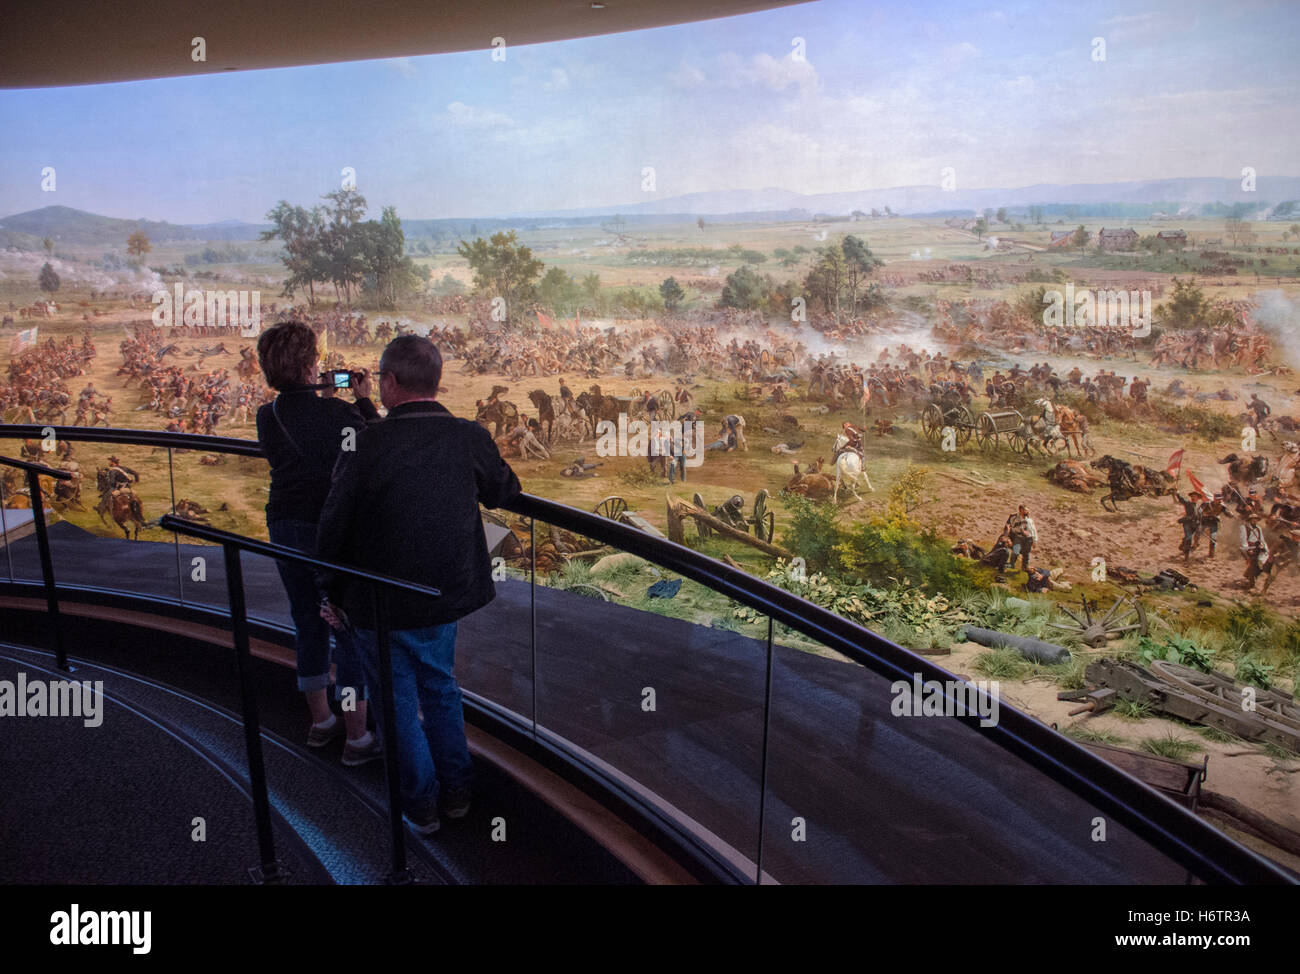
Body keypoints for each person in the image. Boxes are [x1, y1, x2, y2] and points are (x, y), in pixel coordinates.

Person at [317, 335, 521, 835]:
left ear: (388, 383)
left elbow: (333, 528)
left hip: (377, 600)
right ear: (437, 382)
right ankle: (457, 794)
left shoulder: (364, 442)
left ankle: (421, 805)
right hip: (442, 596)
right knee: (441, 690)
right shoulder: (467, 435)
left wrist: (331, 595)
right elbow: (504, 490)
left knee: (395, 703)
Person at [255, 320, 380, 765]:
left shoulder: (266, 415)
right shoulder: (340, 414)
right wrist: (361, 400)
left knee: (307, 622)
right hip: (329, 532)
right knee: (343, 628)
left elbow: (299, 440)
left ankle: (320, 720)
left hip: (284, 525)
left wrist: (322, 399)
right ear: (311, 364)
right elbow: (377, 451)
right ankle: (356, 736)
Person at [1005, 504, 1037, 572]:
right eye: (1026, 510)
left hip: (1028, 539)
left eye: (1028, 510)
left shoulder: (1029, 520)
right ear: (1021, 510)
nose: (1028, 512)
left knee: (1026, 555)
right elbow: (1010, 527)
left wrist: (1034, 541)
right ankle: (1011, 565)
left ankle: (1024, 569)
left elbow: (1033, 530)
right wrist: (1020, 531)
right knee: (1015, 552)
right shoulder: (1014, 518)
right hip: (1019, 537)